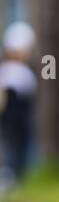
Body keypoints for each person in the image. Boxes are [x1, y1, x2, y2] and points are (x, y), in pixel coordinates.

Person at [0, 21, 37, 188]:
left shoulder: (17, 71)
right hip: (13, 123)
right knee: (12, 151)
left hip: (18, 123)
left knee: (18, 151)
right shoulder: (13, 72)